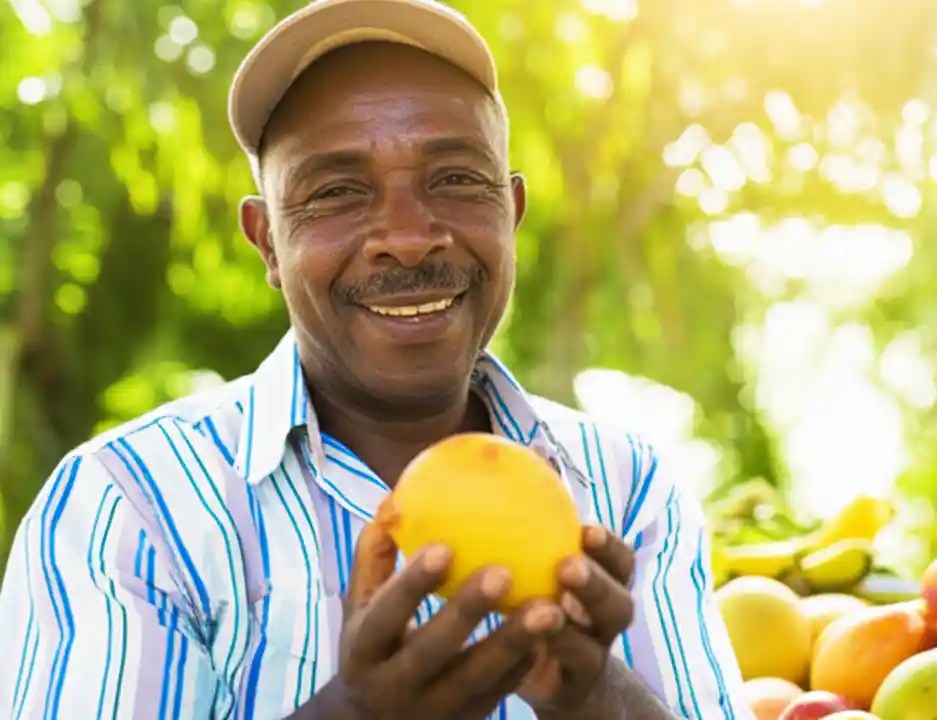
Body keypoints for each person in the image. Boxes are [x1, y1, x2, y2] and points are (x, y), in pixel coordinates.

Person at [0, 0, 752, 717]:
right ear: (267, 242)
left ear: (511, 213)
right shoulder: (129, 507)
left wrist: (592, 699)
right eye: (337, 192)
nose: (408, 234)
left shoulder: (629, 491)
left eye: (455, 179)